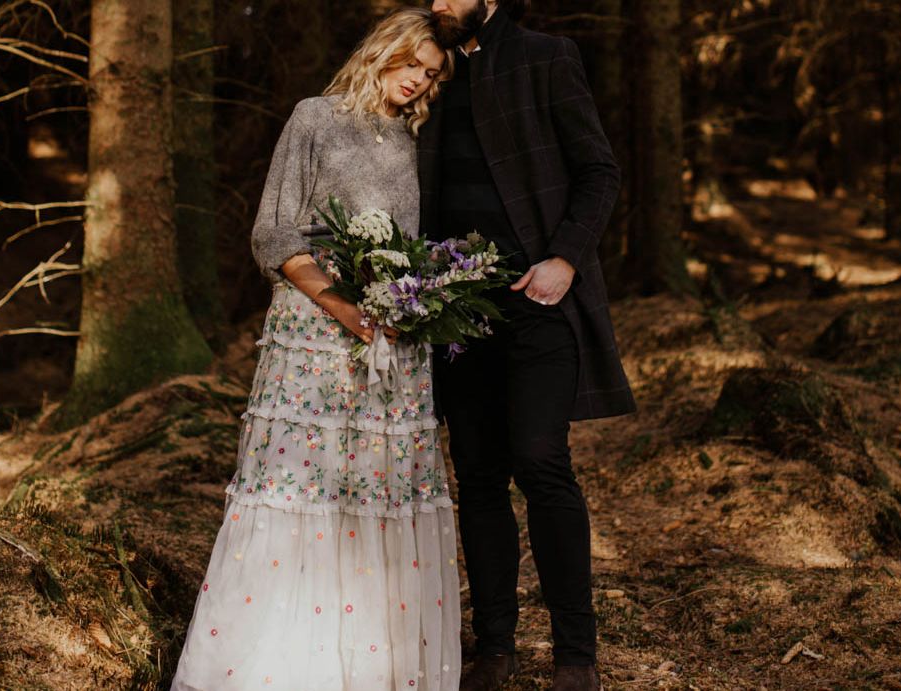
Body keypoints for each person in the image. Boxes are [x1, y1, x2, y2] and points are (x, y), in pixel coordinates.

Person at [171, 9, 460, 690]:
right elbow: (273, 234)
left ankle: (369, 664)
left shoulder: (416, 141)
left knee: (374, 490)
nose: (419, 80)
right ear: (383, 53)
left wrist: (402, 306)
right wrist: (341, 305)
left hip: (392, 339)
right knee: (304, 486)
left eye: (431, 73)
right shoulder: (315, 118)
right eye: (412, 63)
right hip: (314, 334)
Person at [419, 1, 636, 690]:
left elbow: (599, 172)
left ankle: (577, 653)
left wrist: (564, 259)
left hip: (538, 300)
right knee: (478, 475)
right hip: (458, 313)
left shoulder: (548, 56)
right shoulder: (431, 73)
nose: (436, 3)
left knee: (541, 460)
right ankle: (495, 647)